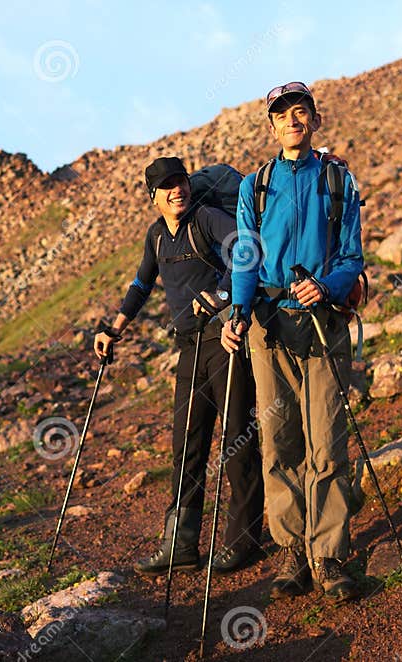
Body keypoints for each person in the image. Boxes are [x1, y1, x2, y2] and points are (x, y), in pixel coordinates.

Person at [221, 82, 364, 601]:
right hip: (268, 326)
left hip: (323, 323)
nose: (292, 121)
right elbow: (245, 256)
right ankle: (291, 550)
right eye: (282, 116)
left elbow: (352, 255)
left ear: (315, 122)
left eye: (300, 113)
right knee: (279, 441)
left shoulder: (338, 180)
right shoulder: (254, 186)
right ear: (272, 127)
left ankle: (327, 557)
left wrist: (326, 286)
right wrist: (238, 311)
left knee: (326, 440)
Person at [95, 156, 264, 576]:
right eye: (167, 186)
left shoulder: (205, 219)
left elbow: (247, 249)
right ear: (153, 195)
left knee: (236, 441)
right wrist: (113, 329)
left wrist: (222, 296)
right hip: (188, 348)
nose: (177, 190)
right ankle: (181, 544)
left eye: (181, 182)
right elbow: (141, 284)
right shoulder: (157, 236)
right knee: (186, 446)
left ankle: (245, 540)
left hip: (224, 340)